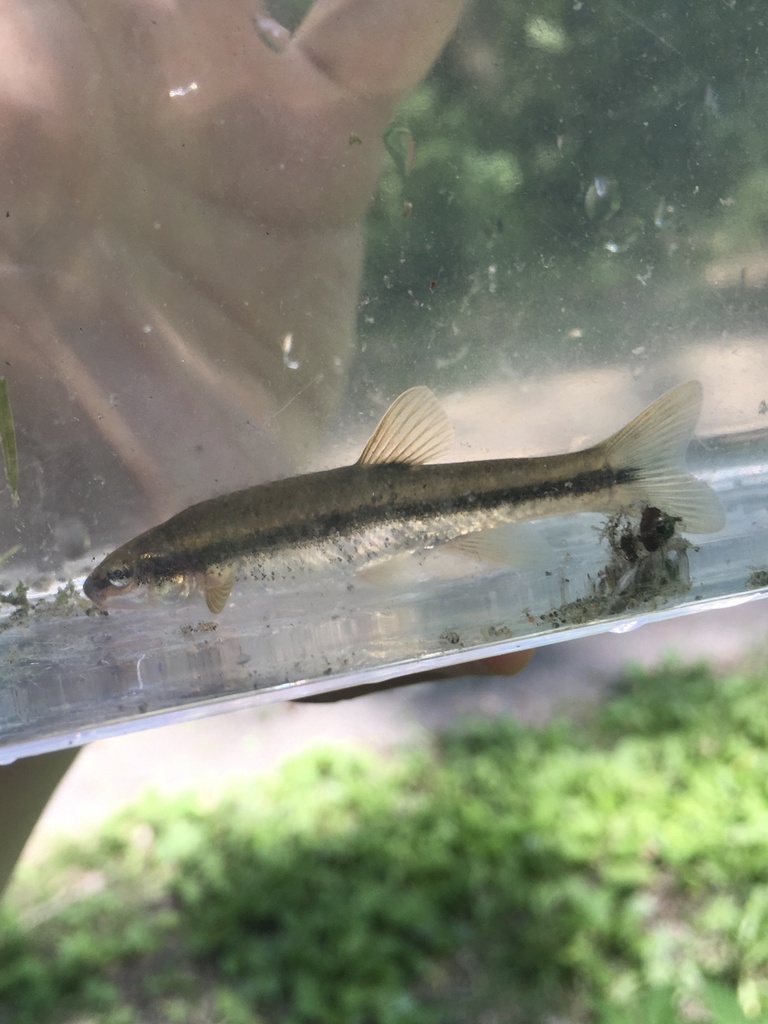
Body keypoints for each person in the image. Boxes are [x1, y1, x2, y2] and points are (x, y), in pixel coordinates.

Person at [0, 0, 529, 897]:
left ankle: (606, 474)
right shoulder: (180, 548)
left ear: (172, 567)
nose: (114, 588)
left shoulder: (191, 550)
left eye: (129, 577)